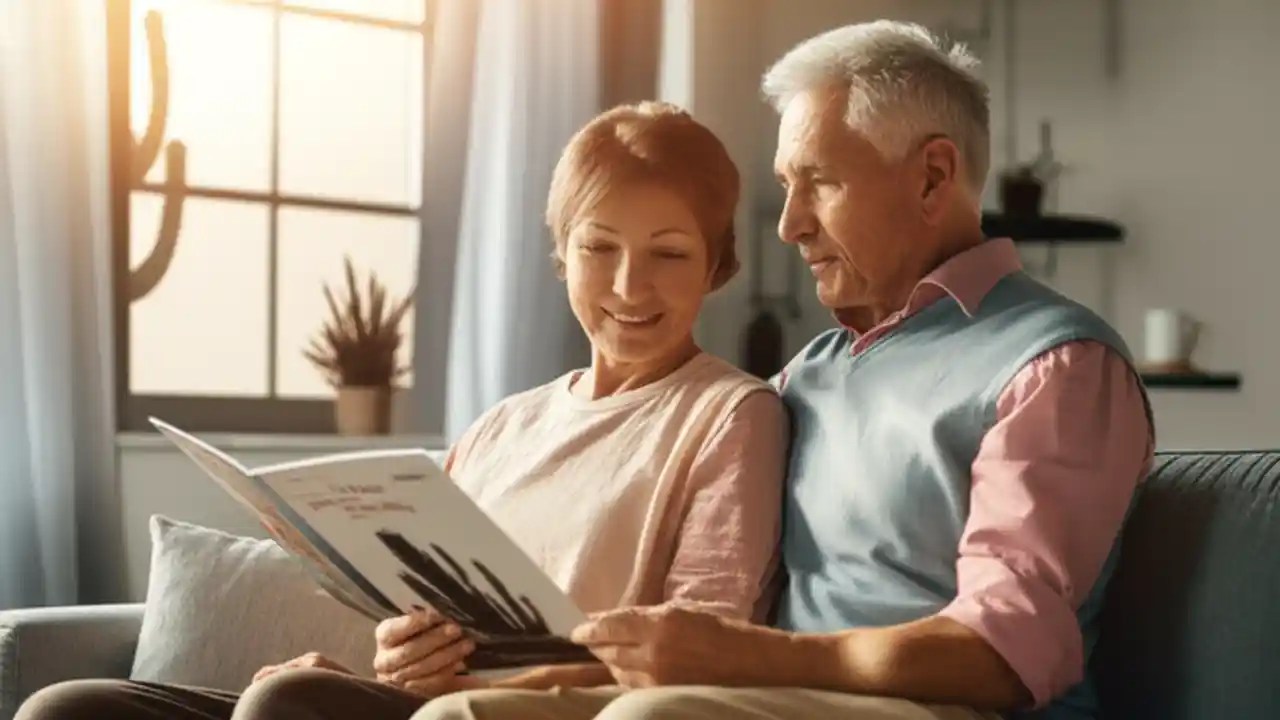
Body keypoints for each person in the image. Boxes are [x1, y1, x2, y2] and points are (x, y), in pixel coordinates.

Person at [402, 19, 1156, 720]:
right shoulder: (815, 370)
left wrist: (745, 656)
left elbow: (1005, 652)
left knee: (650, 716)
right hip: (771, 694)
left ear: (932, 177)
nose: (791, 223)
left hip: (943, 709)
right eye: (787, 185)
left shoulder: (1057, 366)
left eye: (818, 181)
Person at [16, 102, 788, 720]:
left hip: (540, 715)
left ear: (717, 265)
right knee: (70, 705)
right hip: (421, 705)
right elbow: (412, 622)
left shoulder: (730, 416)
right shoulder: (501, 427)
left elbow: (700, 652)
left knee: (287, 704)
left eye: (669, 253)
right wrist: (392, 657)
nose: (628, 285)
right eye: (599, 249)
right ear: (562, 253)